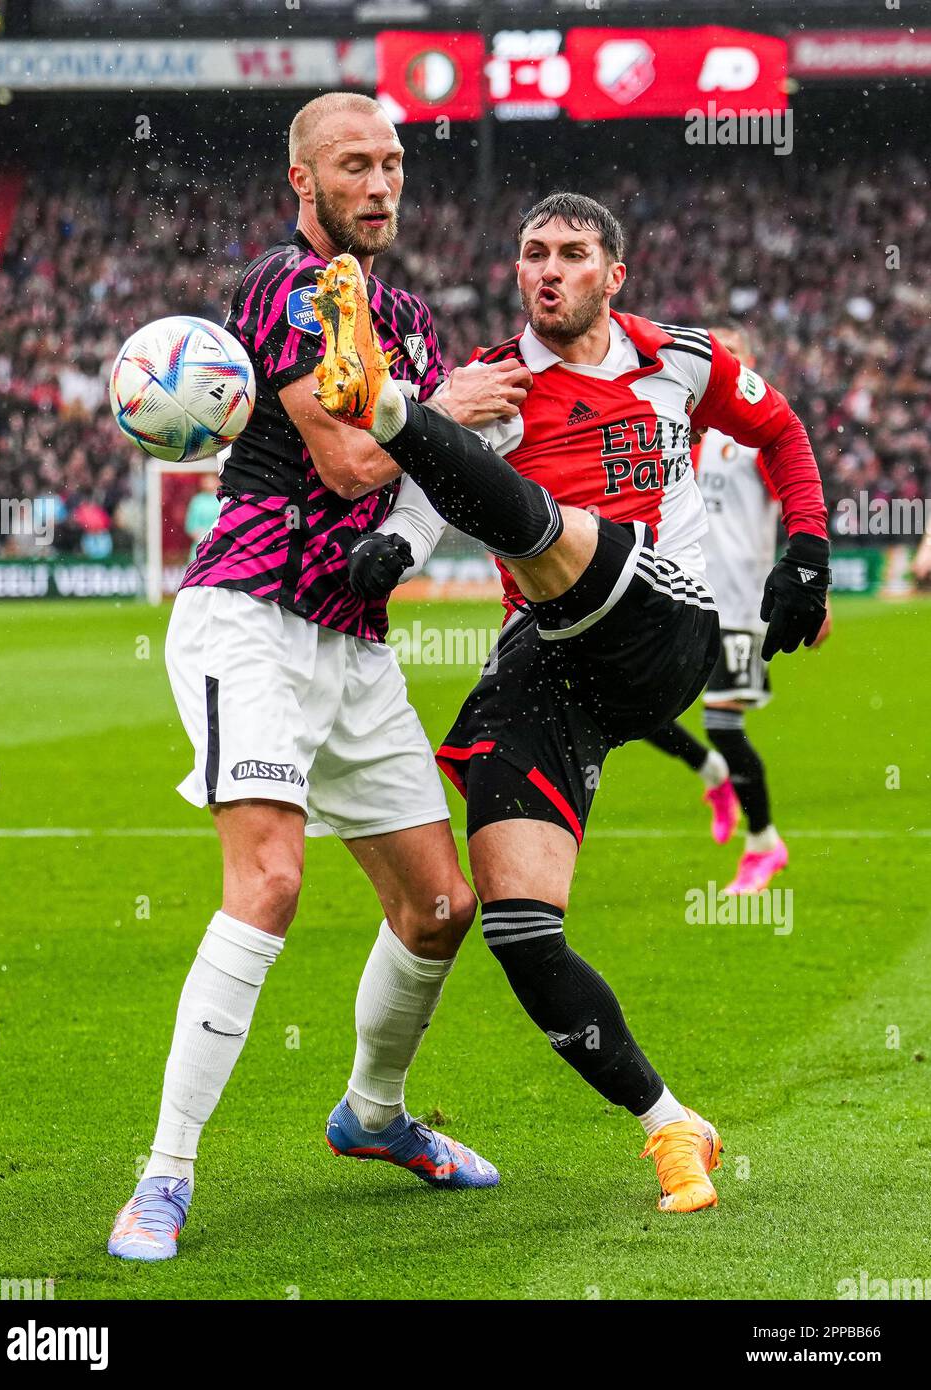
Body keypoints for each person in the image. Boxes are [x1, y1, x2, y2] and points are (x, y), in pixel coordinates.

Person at [312, 192, 830, 1212]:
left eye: (571, 253)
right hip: (550, 663)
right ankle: (670, 1123)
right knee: (516, 925)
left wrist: (806, 549)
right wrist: (395, 550)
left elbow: (781, 434)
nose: (546, 269)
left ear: (612, 274)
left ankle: (381, 406)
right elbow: (425, 497)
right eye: (531, 253)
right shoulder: (492, 388)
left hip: (663, 621)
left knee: (560, 535)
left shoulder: (677, 359)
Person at [108, 92, 532, 1263]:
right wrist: (438, 416)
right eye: (355, 165)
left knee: (440, 908)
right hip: (248, 616)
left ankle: (374, 1116)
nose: (382, 184)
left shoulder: (403, 312)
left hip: (351, 643)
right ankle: (164, 1174)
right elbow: (354, 462)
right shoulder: (281, 287)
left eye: (392, 163)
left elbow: (435, 482)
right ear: (303, 181)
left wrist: (439, 445)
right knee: (272, 882)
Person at [645, 323, 831, 893]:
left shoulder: (751, 438)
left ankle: (764, 841)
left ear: (747, 362)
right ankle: (711, 774)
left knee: (725, 724)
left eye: (730, 352)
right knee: (633, 707)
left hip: (741, 607)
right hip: (679, 597)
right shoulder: (679, 433)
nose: (717, 361)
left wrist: (811, 589)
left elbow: (795, 498)